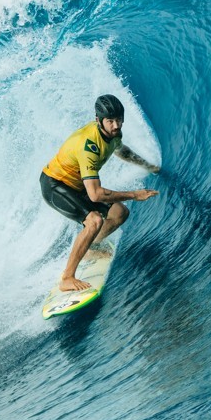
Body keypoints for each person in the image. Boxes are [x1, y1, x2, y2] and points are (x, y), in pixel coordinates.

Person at [39, 94, 160, 292]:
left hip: (76, 185)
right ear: (99, 120)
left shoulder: (114, 133)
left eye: (119, 120)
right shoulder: (89, 146)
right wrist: (134, 194)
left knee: (119, 213)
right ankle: (67, 278)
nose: (116, 125)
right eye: (110, 121)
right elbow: (95, 195)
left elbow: (121, 151)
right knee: (94, 221)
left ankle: (90, 248)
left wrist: (147, 165)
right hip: (54, 184)